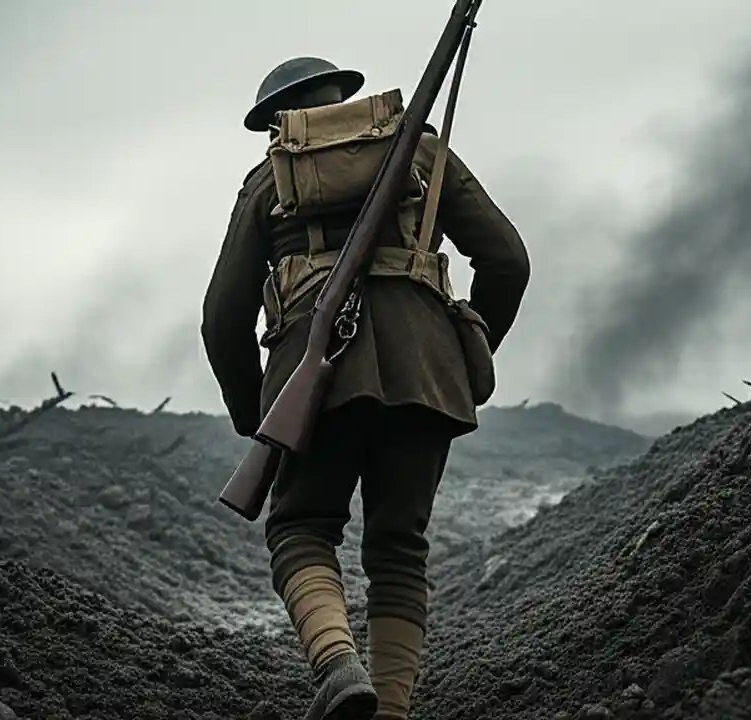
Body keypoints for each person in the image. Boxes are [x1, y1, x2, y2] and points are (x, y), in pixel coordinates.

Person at [201, 56, 529, 720]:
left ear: (278, 124)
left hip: (309, 382)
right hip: (426, 374)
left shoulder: (268, 182)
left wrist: (254, 417)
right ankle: (391, 711)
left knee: (299, 527)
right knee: (399, 547)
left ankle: (337, 666)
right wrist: (461, 356)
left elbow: (221, 319)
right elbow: (507, 260)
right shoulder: (423, 154)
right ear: (343, 99)